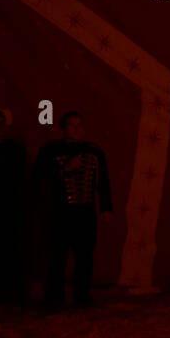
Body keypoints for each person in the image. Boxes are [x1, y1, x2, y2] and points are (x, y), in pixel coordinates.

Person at [34, 112, 113, 310]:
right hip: (58, 212)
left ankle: (82, 297)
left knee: (85, 256)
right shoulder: (49, 151)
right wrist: (64, 170)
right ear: (63, 128)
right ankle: (54, 298)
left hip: (85, 213)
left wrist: (106, 208)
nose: (77, 129)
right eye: (71, 125)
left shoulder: (95, 152)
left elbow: (103, 183)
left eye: (80, 125)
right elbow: (37, 179)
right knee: (56, 256)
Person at [0, 109, 27, 305]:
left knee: (8, 250)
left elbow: (19, 181)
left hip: (8, 209)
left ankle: (8, 294)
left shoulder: (15, 150)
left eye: (0, 123)